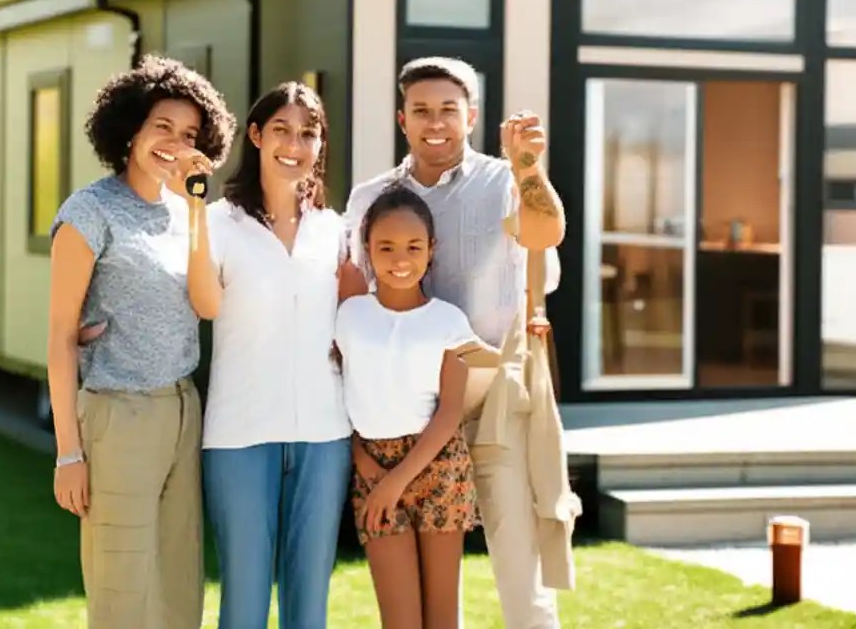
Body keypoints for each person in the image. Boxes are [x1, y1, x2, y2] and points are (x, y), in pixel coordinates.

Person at [344, 56, 581, 628]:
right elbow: (352, 303)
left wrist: (527, 170)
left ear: (470, 115)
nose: (435, 122)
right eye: (421, 110)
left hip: (492, 402)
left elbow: (548, 235)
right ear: (402, 118)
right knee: (425, 603)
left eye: (448, 110)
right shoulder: (368, 199)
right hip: (404, 420)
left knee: (520, 574)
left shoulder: (507, 183)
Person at [47, 55, 236, 629]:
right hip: (117, 416)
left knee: (178, 589)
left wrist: (199, 210)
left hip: (183, 409)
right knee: (122, 593)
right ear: (129, 129)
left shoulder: (188, 212)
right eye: (163, 128)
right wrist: (68, 453)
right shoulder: (90, 212)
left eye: (189, 136)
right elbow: (59, 338)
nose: (176, 145)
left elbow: (209, 306)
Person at [200, 81, 354, 629]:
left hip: (324, 430)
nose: (296, 144)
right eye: (283, 130)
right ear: (258, 136)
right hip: (239, 433)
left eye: (309, 133)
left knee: (308, 602)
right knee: (243, 598)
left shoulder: (337, 232)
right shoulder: (216, 224)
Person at [335, 183, 495, 629]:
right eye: (385, 247)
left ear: (431, 250)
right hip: (374, 466)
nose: (400, 259)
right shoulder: (349, 316)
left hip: (439, 466)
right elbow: (336, 394)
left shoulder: (448, 321)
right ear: (367, 250)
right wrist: (366, 466)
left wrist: (397, 482)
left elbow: (449, 413)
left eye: (413, 246)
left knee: (441, 618)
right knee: (400, 620)